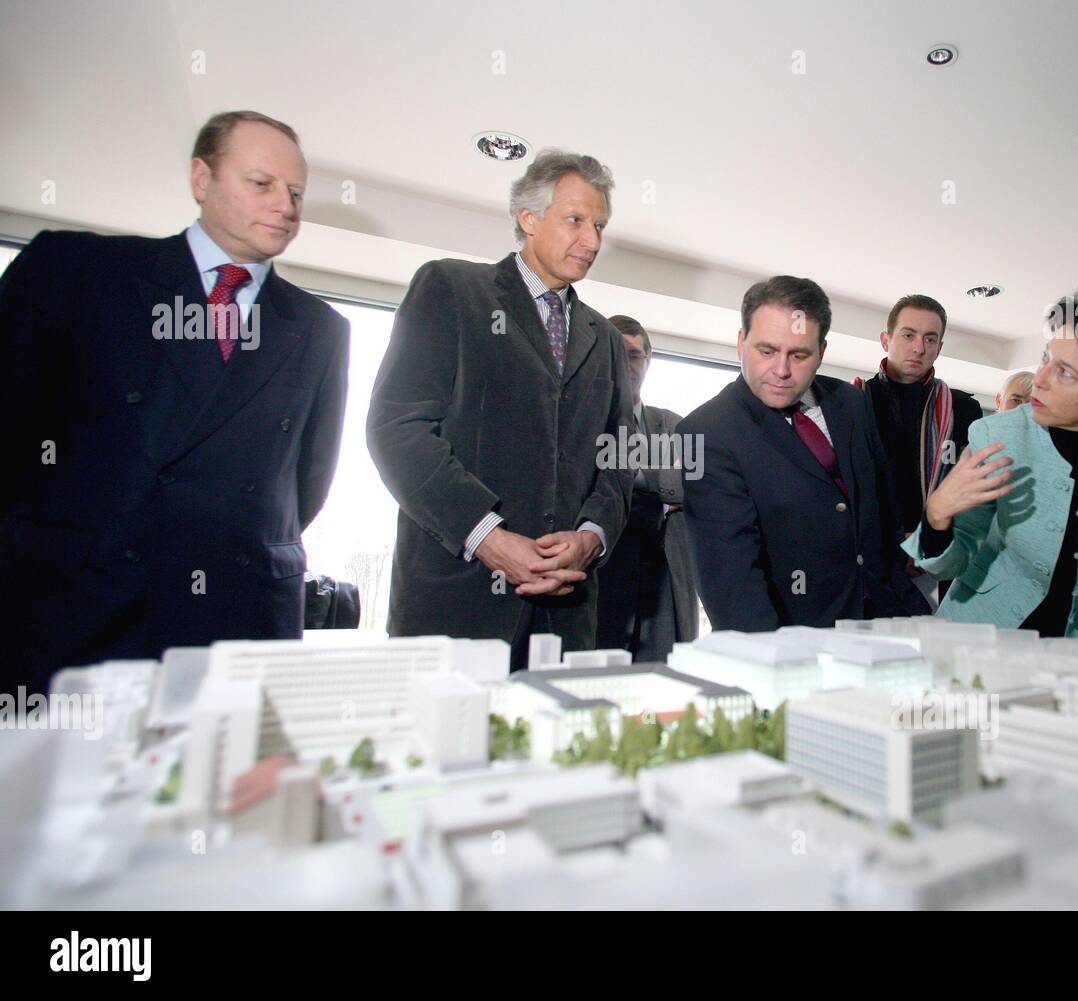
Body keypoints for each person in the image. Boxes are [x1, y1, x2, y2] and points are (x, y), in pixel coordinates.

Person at [0, 111, 350, 694]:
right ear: (201, 179)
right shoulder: (78, 270)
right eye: (260, 183)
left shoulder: (321, 327)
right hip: (78, 608)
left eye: (295, 192)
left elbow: (304, 485)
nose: (285, 205)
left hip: (237, 617)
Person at [367, 149, 634, 672]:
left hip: (566, 617)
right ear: (528, 218)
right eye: (576, 220)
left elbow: (622, 456)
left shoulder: (605, 338)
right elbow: (398, 429)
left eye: (600, 226)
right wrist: (485, 536)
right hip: (455, 607)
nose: (592, 241)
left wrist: (591, 537)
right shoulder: (451, 289)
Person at [903, 286, 1078, 638]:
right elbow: (949, 565)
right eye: (1045, 358)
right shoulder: (997, 435)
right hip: (983, 629)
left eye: (1064, 372)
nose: (1039, 380)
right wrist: (936, 516)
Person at [679, 276, 928, 633]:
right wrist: (776, 660)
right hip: (799, 639)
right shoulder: (707, 432)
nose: (781, 370)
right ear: (741, 343)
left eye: (799, 355)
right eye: (767, 351)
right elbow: (730, 581)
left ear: (821, 352)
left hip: (895, 617)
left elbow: (884, 513)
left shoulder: (852, 403)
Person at [856, 294, 984, 608]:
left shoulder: (963, 409)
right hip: (869, 554)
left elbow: (967, 490)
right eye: (908, 335)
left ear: (939, 347)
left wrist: (927, 543)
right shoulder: (856, 401)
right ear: (886, 340)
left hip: (939, 554)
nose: (919, 348)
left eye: (930, 339)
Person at [594, 315, 699, 660]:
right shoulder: (583, 423)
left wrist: (628, 475)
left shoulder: (675, 424)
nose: (626, 364)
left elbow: (695, 484)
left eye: (634, 355)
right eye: (616, 354)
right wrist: (662, 490)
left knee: (667, 682)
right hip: (605, 581)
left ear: (648, 360)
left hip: (667, 582)